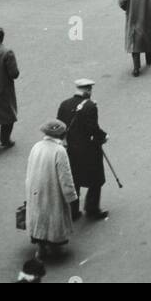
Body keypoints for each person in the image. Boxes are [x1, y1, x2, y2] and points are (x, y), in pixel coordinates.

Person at [25, 120, 77, 262]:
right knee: (53, 217)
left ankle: (41, 247)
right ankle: (54, 247)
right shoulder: (60, 151)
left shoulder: (36, 146)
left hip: (36, 188)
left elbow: (30, 169)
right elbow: (65, 176)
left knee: (39, 215)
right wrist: (71, 195)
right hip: (52, 190)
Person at [57, 79, 109, 220]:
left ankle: (73, 211)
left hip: (70, 149)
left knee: (74, 179)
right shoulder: (90, 106)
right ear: (87, 90)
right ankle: (92, 208)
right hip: (88, 149)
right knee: (96, 179)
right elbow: (93, 128)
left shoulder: (64, 104)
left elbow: (60, 126)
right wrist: (104, 136)